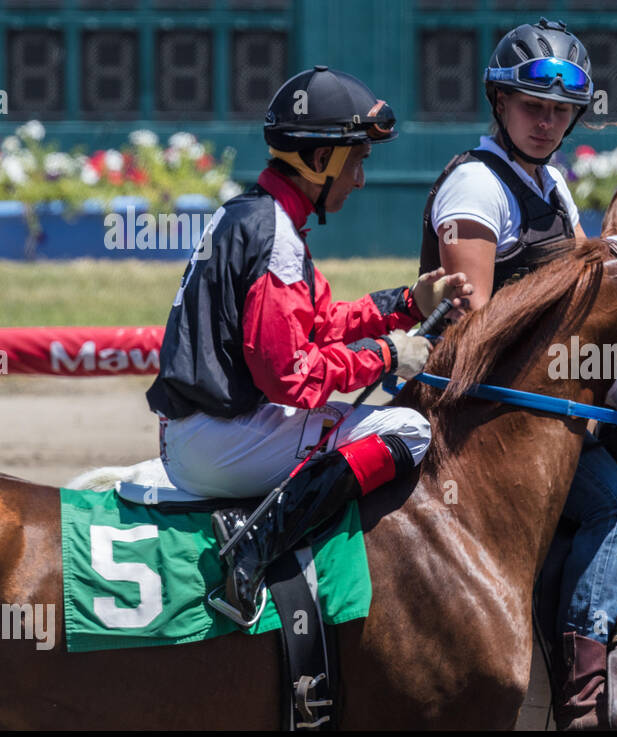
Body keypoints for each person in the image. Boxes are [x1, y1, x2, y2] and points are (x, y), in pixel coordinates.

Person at [418, 19, 617, 730]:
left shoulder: (551, 185)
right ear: (498, 105)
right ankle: (582, 698)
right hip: (478, 416)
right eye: (531, 107)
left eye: (560, 111)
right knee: (616, 505)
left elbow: (582, 294)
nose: (546, 123)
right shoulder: (476, 188)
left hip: (541, 407)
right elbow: (468, 332)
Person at [147, 66, 471, 626]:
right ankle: (254, 546)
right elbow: (290, 378)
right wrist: (389, 356)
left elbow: (319, 322)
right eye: (358, 160)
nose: (361, 178)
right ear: (321, 160)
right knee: (407, 431)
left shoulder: (252, 213)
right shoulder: (275, 234)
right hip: (217, 442)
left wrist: (406, 305)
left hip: (202, 433)